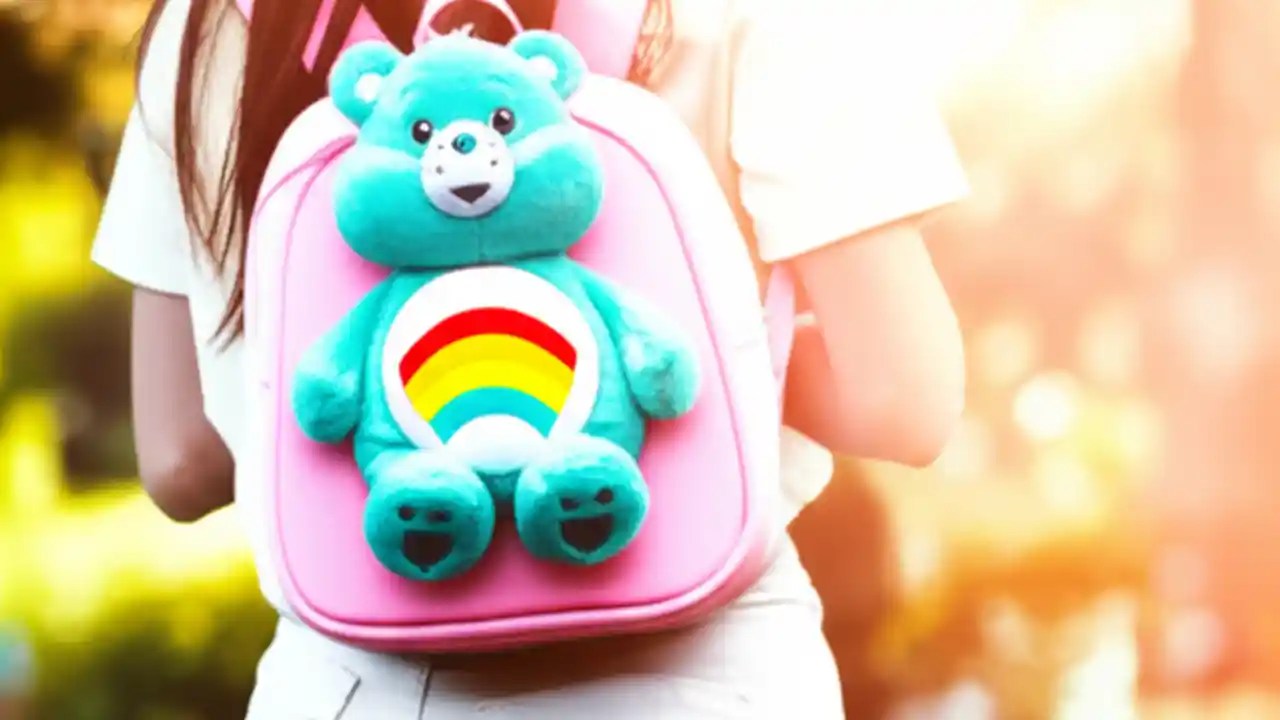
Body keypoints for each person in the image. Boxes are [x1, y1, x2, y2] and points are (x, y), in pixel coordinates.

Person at [92, 0, 968, 716]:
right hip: (701, 669)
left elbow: (180, 459)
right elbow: (903, 397)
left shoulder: (211, 25)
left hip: (356, 681)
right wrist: (683, 365)